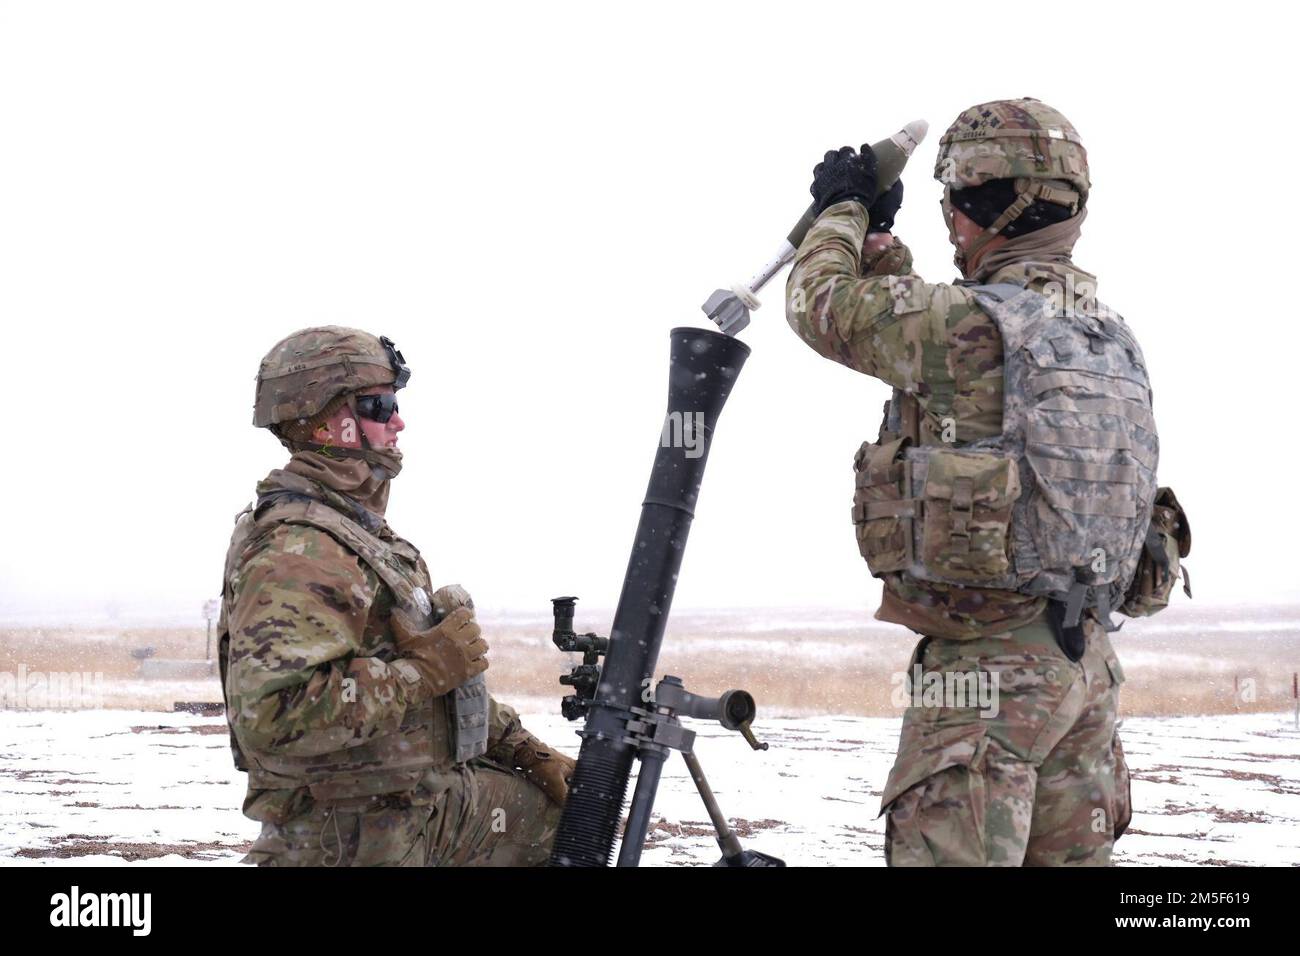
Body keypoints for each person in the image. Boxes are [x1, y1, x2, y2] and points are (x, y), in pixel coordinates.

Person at [784, 99, 1190, 866]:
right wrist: (886, 254)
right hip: (1084, 672)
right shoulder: (1104, 333)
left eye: (954, 204)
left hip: (985, 680)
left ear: (987, 206)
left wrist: (839, 210)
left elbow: (820, 304)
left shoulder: (966, 327)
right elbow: (954, 358)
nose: (948, 223)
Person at [216, 326, 574, 866]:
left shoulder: (361, 537)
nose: (398, 420)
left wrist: (524, 750)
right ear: (325, 420)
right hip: (347, 834)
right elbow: (273, 716)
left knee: (562, 817)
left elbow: (436, 688)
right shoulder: (300, 548)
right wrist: (421, 673)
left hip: (406, 806)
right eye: (378, 406)